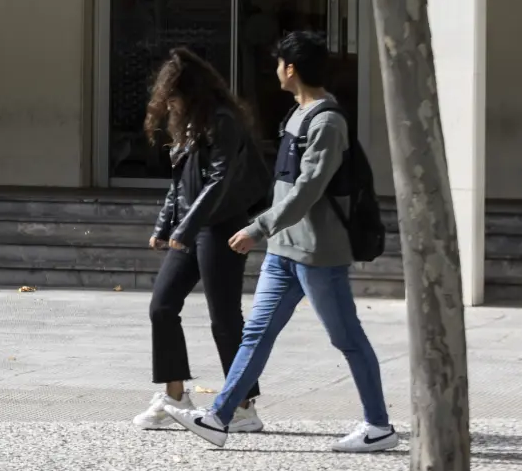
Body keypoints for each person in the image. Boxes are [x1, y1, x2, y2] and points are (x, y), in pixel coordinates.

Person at [171, 32, 399, 454]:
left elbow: (308, 189)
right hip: (284, 250)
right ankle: (220, 417)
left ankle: (378, 425)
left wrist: (258, 227)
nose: (276, 70)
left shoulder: (328, 121)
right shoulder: (297, 114)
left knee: (346, 337)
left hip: (317, 252)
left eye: (279, 64)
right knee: (256, 333)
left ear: (290, 69)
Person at [132, 48, 271, 433]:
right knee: (162, 306)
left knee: (224, 317)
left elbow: (219, 181)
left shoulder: (223, 121)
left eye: (174, 96)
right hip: (191, 230)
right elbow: (179, 184)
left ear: (193, 92)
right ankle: (174, 397)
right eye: (166, 98)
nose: (169, 104)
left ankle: (243, 405)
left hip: (222, 226)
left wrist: (185, 229)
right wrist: (164, 227)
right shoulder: (189, 124)